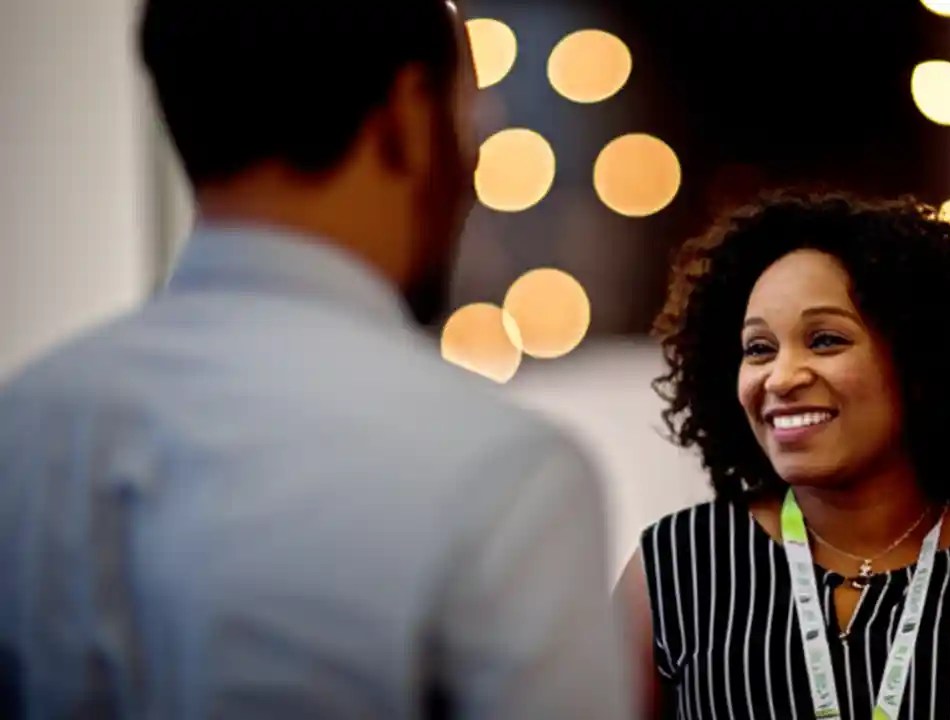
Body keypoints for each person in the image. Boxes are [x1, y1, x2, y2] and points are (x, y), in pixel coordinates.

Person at [0, 1, 630, 718]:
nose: (474, 159)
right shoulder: (504, 477)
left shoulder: (22, 427)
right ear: (406, 117)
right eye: (469, 116)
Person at [616, 190, 950, 719]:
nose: (781, 378)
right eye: (759, 348)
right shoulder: (675, 572)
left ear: (919, 359)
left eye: (825, 340)